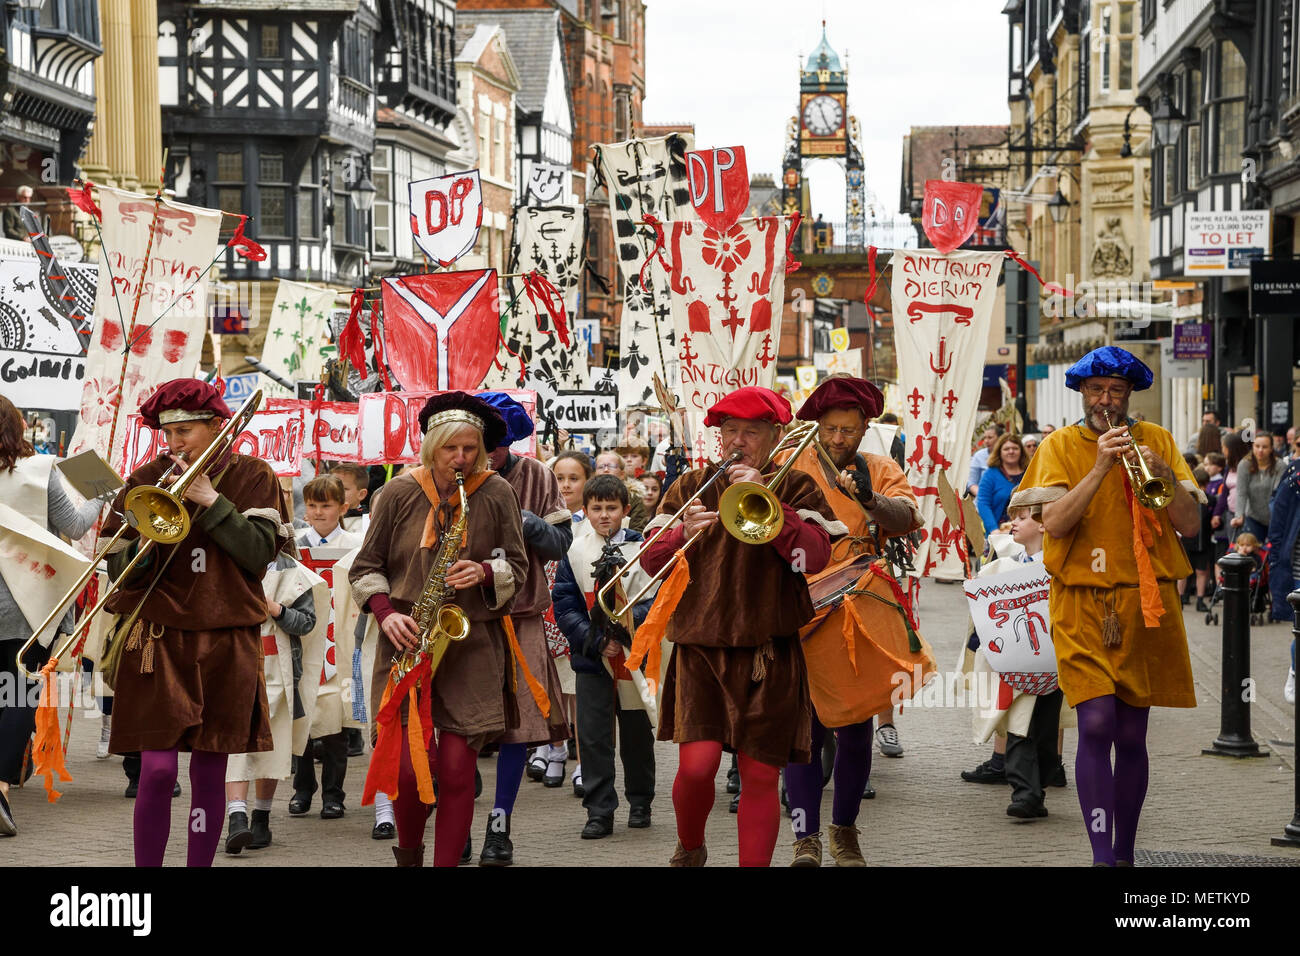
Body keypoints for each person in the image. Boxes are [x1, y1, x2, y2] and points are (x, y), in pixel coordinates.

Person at [630, 386, 843, 867]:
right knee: (695, 768)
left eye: (751, 432)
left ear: (775, 436)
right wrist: (681, 533)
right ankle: (690, 846)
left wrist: (772, 505)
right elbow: (649, 562)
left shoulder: (796, 486)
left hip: (770, 650)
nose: (738, 442)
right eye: (730, 432)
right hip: (700, 648)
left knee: (761, 777)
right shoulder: (690, 487)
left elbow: (815, 556)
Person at [1015, 346, 1202, 866]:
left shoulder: (1158, 440)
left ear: (1128, 395)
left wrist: (1162, 466)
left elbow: (1189, 525)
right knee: (1096, 723)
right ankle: (1102, 856)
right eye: (1096, 390)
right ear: (1081, 393)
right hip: (1080, 602)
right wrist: (1099, 466)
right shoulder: (1058, 446)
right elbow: (1053, 524)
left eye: (1116, 391)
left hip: (1146, 602)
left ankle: (1124, 852)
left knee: (1131, 732)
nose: (1106, 400)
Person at [101, 379, 294, 867]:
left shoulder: (254, 475)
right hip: (158, 637)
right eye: (169, 434)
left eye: (185, 431)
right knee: (159, 772)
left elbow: (257, 555)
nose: (174, 444)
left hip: (228, 636)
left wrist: (212, 502)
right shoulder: (148, 476)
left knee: (210, 772)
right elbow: (114, 565)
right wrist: (144, 542)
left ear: (217, 426)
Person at [350, 391, 528, 868]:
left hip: (472, 648)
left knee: (455, 773)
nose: (462, 458)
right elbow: (365, 568)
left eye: (471, 448)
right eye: (452, 448)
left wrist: (487, 573)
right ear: (432, 447)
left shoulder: (496, 492)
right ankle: (409, 856)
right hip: (407, 644)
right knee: (410, 775)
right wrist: (387, 613)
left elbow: (519, 566)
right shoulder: (399, 492)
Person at [780, 377, 931, 866]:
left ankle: (844, 831)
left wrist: (869, 499)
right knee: (804, 729)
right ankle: (806, 838)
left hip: (858, 603)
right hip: (798, 604)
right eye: (830, 428)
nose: (838, 438)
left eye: (848, 429)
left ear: (865, 428)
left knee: (857, 725)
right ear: (816, 425)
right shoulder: (792, 460)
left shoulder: (880, 466)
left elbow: (908, 517)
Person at [0, 394, 105, 836]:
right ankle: (1, 788)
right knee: (18, 694)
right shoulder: (40, 472)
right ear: (18, 428)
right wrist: (103, 485)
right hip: (31, 603)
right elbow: (78, 526)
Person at [476, 391, 572, 866]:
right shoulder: (446, 471)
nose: (483, 454)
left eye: (494, 445)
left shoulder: (537, 475)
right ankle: (456, 807)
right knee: (459, 728)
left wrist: (530, 524)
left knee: (518, 728)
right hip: (465, 621)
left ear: (510, 441)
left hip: (522, 615)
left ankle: (500, 825)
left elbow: (560, 545)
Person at [552, 475, 657, 838]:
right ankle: (599, 810)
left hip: (631, 660)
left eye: (612, 508)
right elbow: (564, 606)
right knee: (594, 737)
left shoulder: (642, 549)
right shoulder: (575, 551)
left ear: (626, 511)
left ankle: (640, 801)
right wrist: (595, 640)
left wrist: (624, 630)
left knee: (636, 735)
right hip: (592, 661)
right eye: (596, 508)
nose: (604, 515)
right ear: (585, 510)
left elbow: (652, 601)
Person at [225, 549, 327, 854]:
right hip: (237, 669)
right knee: (237, 748)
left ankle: (261, 817)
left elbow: (307, 622)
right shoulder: (229, 560)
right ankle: (236, 817)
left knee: (272, 747)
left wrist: (276, 610)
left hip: (279, 673)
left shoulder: (294, 572)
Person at [289, 475, 361, 819]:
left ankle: (334, 794)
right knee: (302, 722)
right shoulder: (293, 544)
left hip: (340, 641)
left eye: (326, 506)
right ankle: (303, 789)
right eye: (313, 505)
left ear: (342, 508)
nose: (318, 513)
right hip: (304, 638)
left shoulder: (355, 543)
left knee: (336, 726)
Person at [1234, 433, 1282, 543]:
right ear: (1252, 447)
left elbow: (1277, 495)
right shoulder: (1244, 464)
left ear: (1271, 449)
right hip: (1253, 517)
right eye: (1257, 446)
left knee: (1272, 554)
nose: (1260, 450)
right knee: (1251, 552)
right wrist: (1239, 515)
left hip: (1275, 518)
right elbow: (1241, 492)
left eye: (1264, 447)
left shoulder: (1280, 465)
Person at [1182, 468, 1217, 613]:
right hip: (1188, 540)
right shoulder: (1186, 498)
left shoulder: (1210, 500)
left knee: (1202, 571)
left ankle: (1200, 599)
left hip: (1203, 541)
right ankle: (1181, 597)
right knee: (1185, 572)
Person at [978, 433, 1027, 533]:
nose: (1011, 451)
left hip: (1026, 532)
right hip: (999, 532)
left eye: (1015, 448)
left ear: (1021, 451)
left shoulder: (1030, 473)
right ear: (999, 452)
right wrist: (993, 529)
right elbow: (983, 503)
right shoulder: (990, 474)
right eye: (1006, 449)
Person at [595, 450, 648, 532]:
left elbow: (638, 530)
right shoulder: (586, 497)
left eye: (611, 466)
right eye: (601, 467)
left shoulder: (633, 498)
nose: (605, 470)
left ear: (622, 474)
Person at [330, 463, 371, 535]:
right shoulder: (320, 515)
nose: (335, 492)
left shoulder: (366, 523)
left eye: (343, 488)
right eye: (331, 487)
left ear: (361, 494)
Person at [966, 424, 1001, 498]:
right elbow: (971, 483)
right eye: (984, 438)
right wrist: (984, 496)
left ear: (1000, 438)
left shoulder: (1009, 454)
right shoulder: (979, 456)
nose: (986, 441)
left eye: (990, 438)